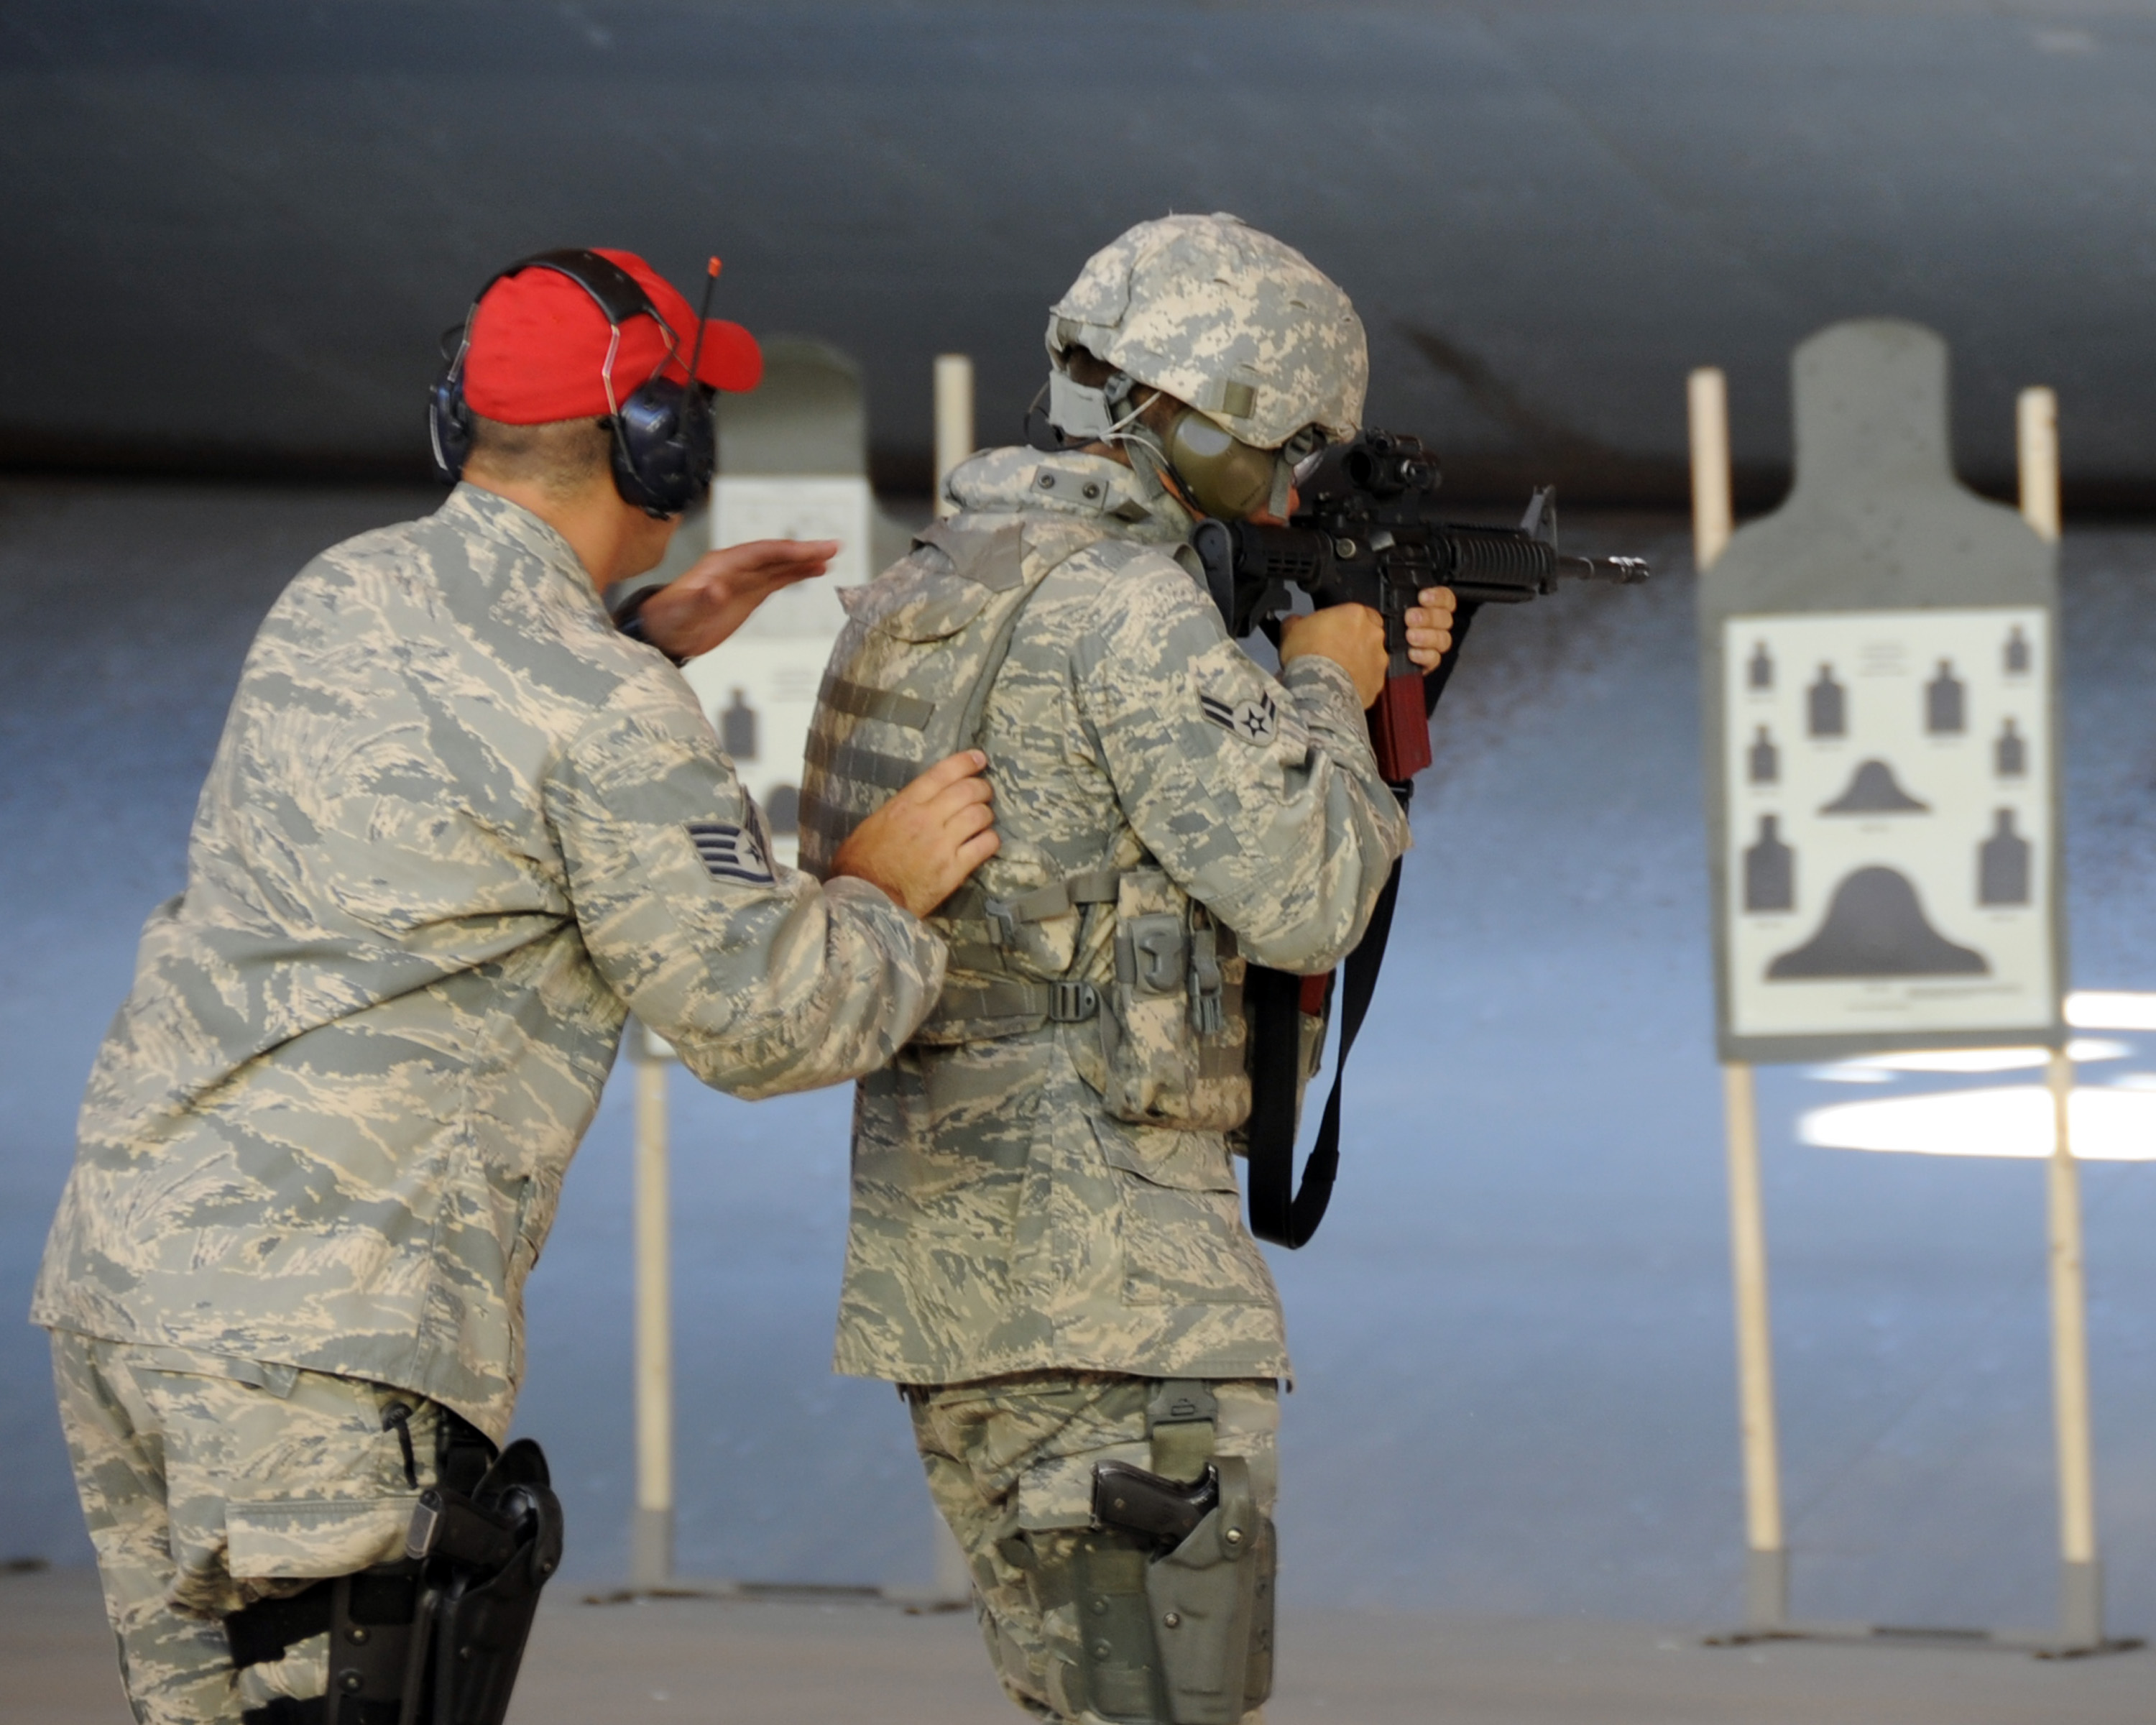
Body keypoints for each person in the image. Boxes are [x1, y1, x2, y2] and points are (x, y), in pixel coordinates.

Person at [29, 247, 996, 1725]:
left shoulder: (340, 592)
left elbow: (469, 749)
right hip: (321, 1340)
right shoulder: (603, 710)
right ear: (659, 447)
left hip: (129, 1287)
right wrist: (878, 892)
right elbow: (767, 1020)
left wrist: (632, 637)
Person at [798, 214, 1457, 1725]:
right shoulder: (1127, 609)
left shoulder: (925, 586)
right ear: (1206, 418)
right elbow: (1308, 896)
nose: (1291, 487)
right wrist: (1327, 685)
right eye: (1286, 447)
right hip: (1118, 1294)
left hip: (955, 1278)